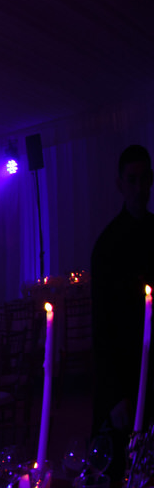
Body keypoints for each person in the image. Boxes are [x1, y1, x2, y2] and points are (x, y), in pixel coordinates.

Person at [92, 144, 154, 444]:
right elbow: (101, 325)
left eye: (145, 179)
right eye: (133, 179)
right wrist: (115, 393)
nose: (140, 188)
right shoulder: (107, 246)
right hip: (125, 373)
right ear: (121, 184)